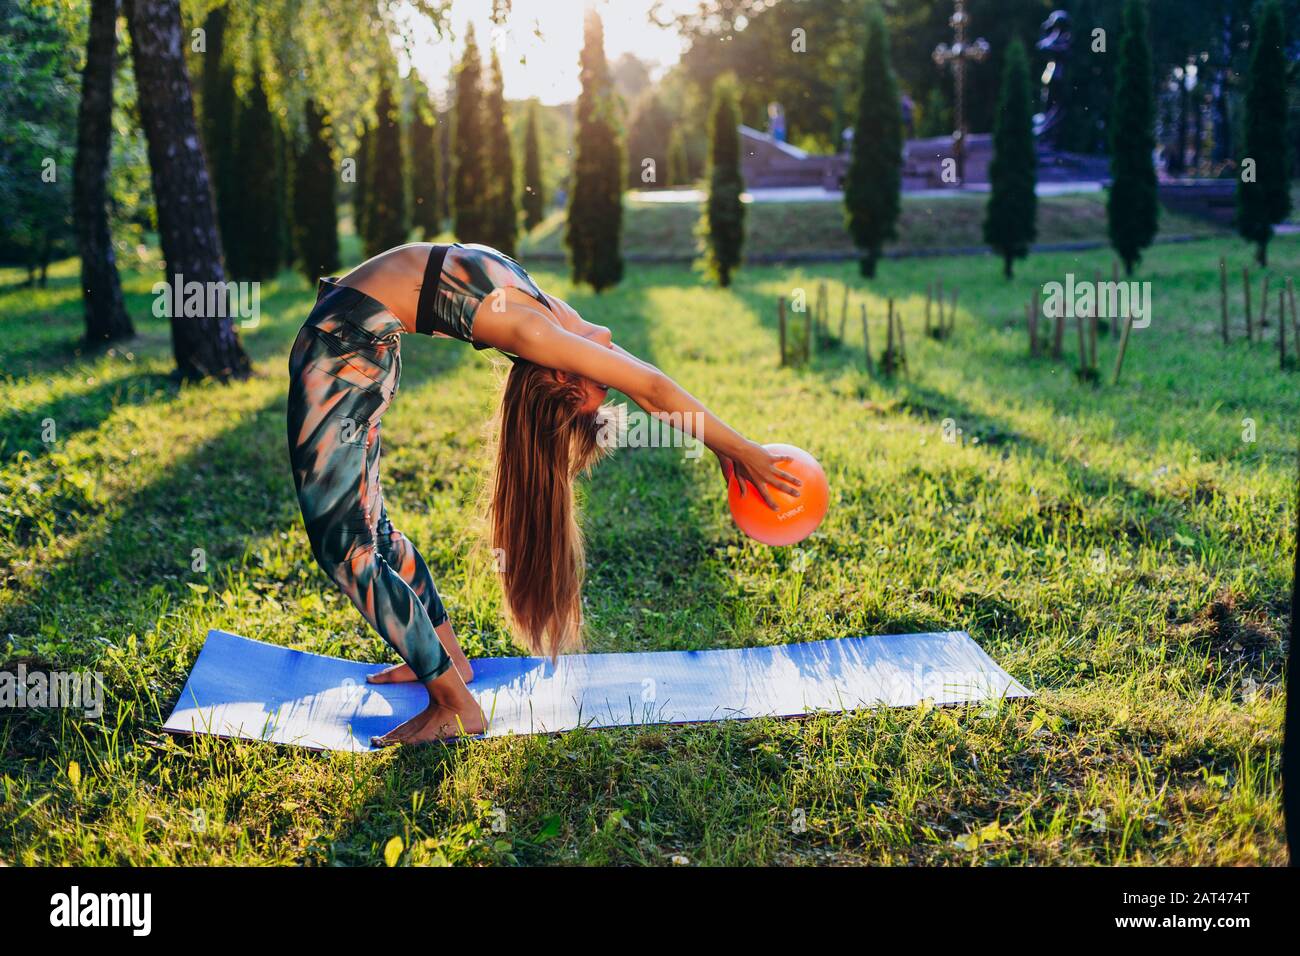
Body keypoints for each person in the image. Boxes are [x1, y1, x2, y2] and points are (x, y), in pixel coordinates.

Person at [286, 242, 801, 745]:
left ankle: (452, 704)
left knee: (345, 548)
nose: (609, 375)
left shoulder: (538, 327)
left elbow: (649, 387)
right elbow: (650, 384)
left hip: (343, 350)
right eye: (603, 383)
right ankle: (449, 660)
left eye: (599, 385)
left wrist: (737, 447)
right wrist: (731, 447)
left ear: (561, 371)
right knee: (368, 529)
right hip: (355, 345)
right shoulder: (552, 321)